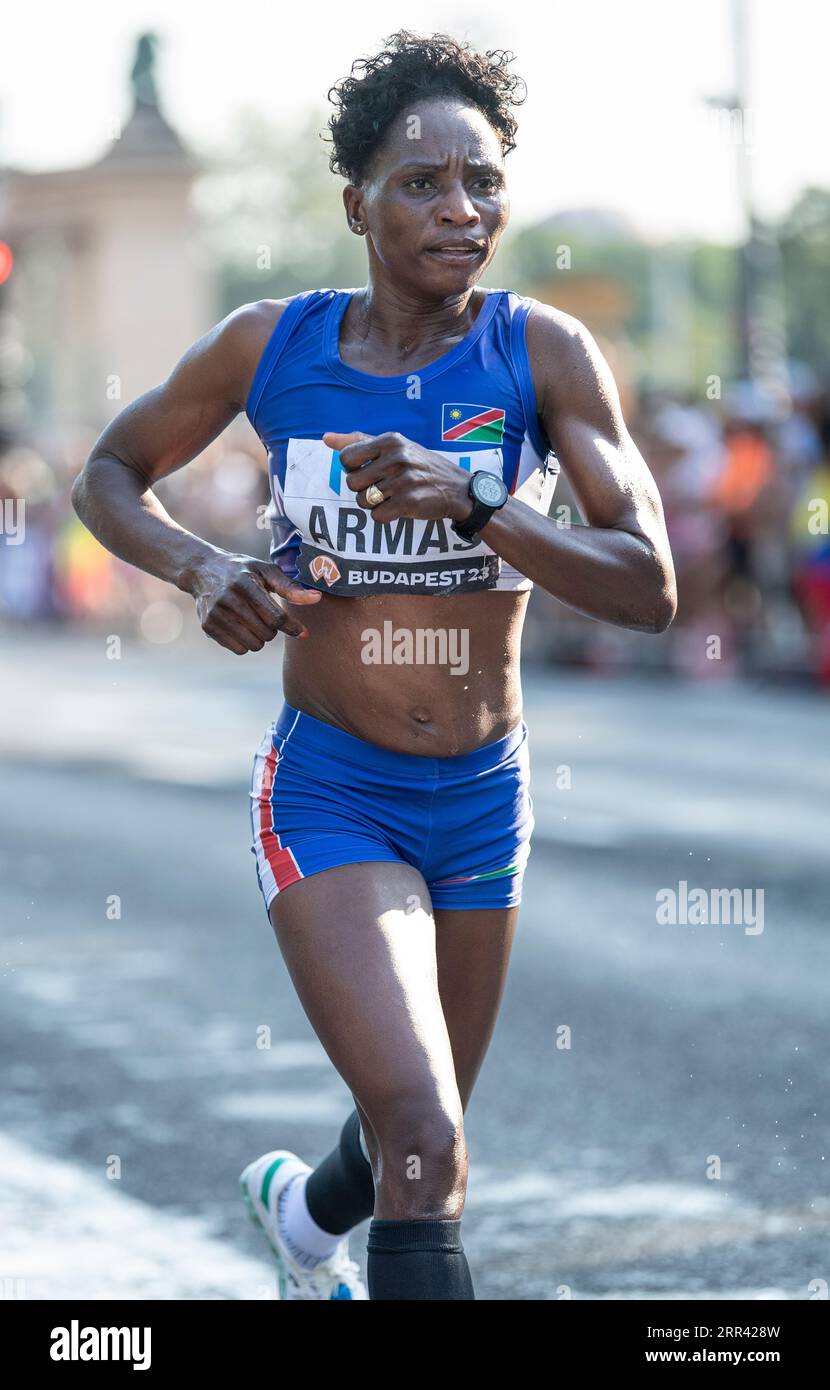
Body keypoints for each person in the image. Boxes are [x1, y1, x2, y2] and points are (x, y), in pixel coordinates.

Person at [71, 30, 676, 1300]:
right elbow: (110, 472)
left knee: (416, 1123)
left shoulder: (540, 351)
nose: (461, 209)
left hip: (484, 794)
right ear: (355, 203)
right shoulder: (269, 347)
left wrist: (481, 507)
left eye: (483, 181)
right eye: (421, 182)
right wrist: (204, 571)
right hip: (333, 786)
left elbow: (649, 588)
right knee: (429, 1134)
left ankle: (300, 1220)